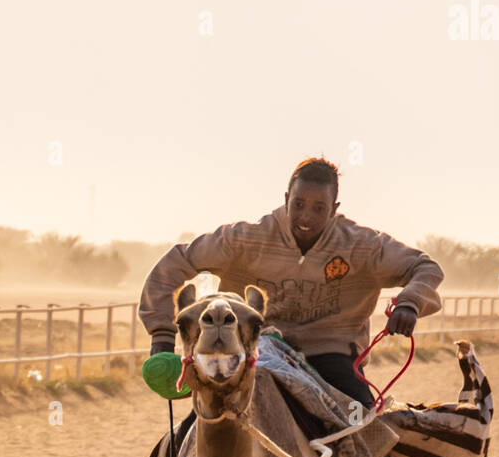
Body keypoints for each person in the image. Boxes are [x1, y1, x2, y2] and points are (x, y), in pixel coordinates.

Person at [140, 156, 444, 416]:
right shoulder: (244, 239)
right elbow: (176, 262)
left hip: (331, 355)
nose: (305, 216)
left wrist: (409, 303)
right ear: (286, 198)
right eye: (298, 204)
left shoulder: (363, 246)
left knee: (363, 424)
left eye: (318, 208)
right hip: (254, 351)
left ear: (334, 207)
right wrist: (162, 337)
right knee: (198, 429)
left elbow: (425, 267)